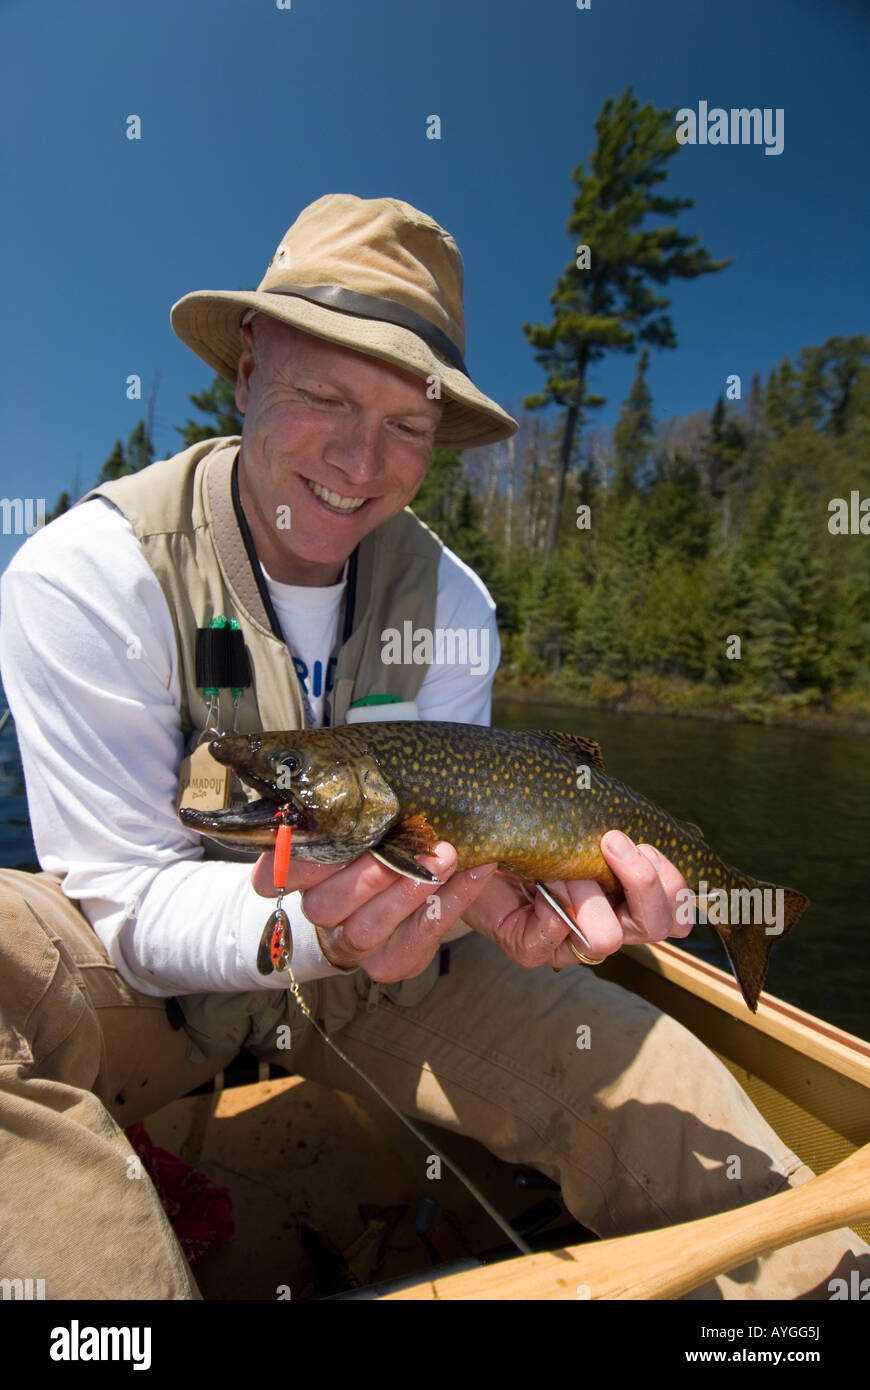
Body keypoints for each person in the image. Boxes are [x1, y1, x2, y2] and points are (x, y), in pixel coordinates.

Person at [0, 193, 866, 1300]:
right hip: (147, 989)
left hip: (402, 956)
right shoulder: (87, 576)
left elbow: (474, 842)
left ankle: (821, 1287)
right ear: (248, 364)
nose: (362, 463)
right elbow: (120, 898)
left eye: (409, 426)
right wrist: (310, 928)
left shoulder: (452, 605)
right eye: (325, 396)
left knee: (645, 1070)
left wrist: (526, 906)